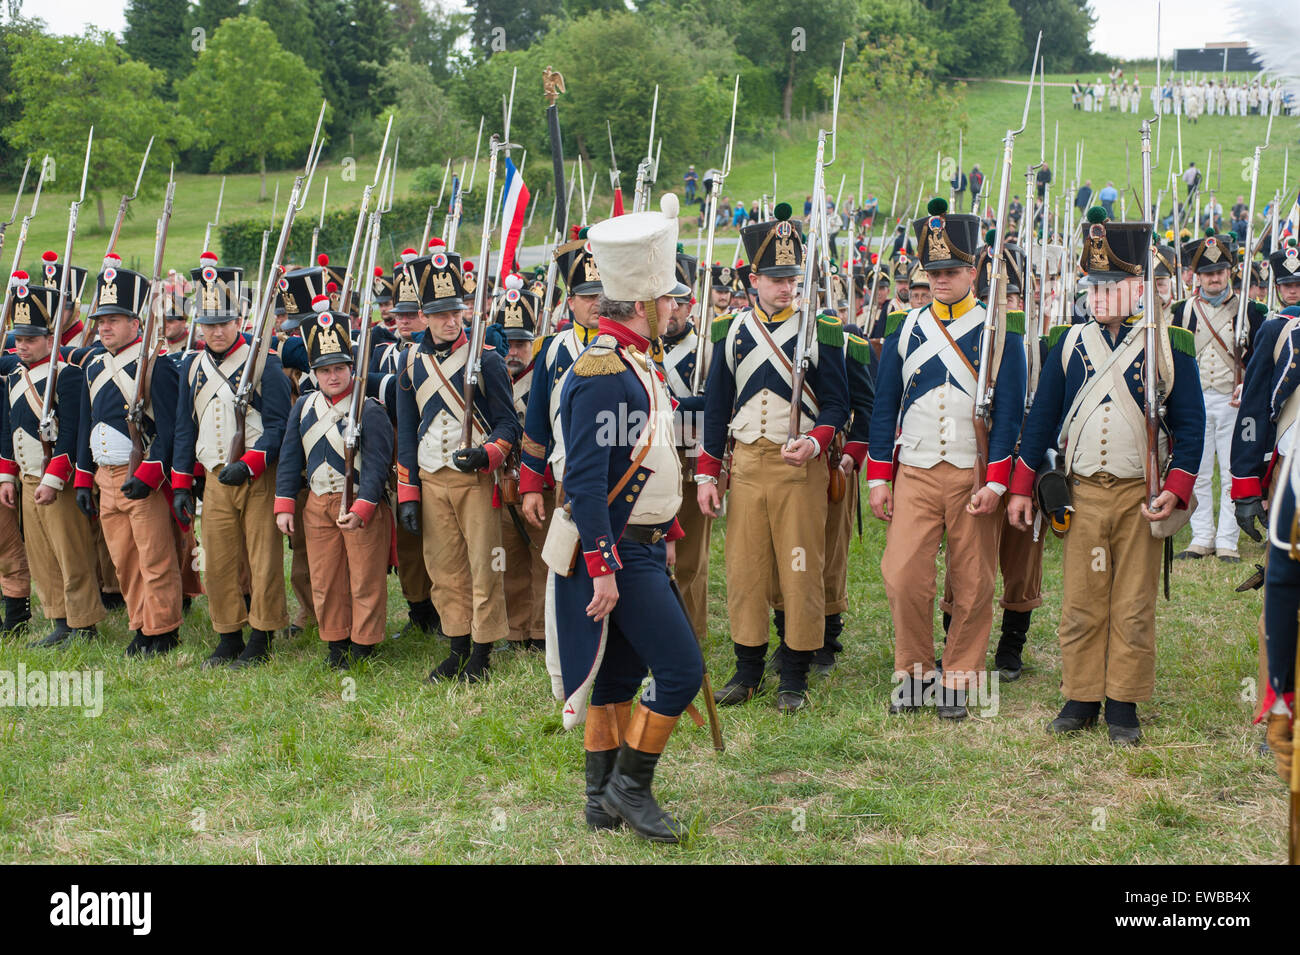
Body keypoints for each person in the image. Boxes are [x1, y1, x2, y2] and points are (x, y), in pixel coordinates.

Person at [1008, 209, 1204, 745]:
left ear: (1138, 288)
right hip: (1083, 494)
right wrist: (1022, 488)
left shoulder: (1168, 345)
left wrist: (1175, 490)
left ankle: (1123, 701)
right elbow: (1041, 420)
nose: (1097, 295)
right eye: (1093, 286)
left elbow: (1191, 427)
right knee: (1082, 601)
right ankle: (1081, 696)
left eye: (1110, 285)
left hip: (1141, 495)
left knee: (1134, 604)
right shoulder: (1069, 344)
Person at [546, 193, 703, 843]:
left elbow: (650, 460)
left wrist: (666, 531)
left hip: (642, 543)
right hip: (616, 552)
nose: (674, 308)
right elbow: (584, 483)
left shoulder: (637, 359)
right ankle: (629, 788)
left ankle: (599, 799)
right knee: (682, 671)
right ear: (641, 303)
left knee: (619, 674)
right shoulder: (602, 371)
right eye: (666, 298)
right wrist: (604, 567)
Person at [867, 198, 1027, 720]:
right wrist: (878, 477)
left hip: (971, 472)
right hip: (914, 468)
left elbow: (1009, 413)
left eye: (951, 270)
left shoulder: (1000, 330)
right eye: (934, 271)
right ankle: (914, 672)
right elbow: (884, 405)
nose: (940, 279)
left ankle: (960, 677)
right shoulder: (906, 327)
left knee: (974, 581)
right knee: (902, 575)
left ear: (973, 272)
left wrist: (997, 482)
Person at [697, 202, 849, 713]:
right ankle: (747, 670)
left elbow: (838, 403)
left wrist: (816, 440)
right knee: (746, 570)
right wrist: (708, 474)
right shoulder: (731, 331)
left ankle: (795, 674)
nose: (787, 288)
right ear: (753, 280)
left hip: (798, 468)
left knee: (800, 568)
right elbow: (716, 408)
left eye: (792, 279)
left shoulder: (819, 328)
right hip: (746, 464)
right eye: (777, 279)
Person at [394, 250, 519, 684]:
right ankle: (457, 648)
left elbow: (508, 424)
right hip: (431, 478)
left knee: (484, 566)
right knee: (444, 568)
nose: (451, 320)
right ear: (424, 316)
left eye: (456, 311)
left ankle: (482, 654)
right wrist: (408, 493)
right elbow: (406, 433)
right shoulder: (410, 361)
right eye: (441, 313)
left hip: (476, 480)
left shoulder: (486, 358)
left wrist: (489, 453)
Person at [172, 258, 292, 668]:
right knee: (218, 561)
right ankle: (227, 635)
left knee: (263, 560)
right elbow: (185, 428)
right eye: (209, 324)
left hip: (257, 478)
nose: (216, 331)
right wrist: (181, 485)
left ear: (238, 320)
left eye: (223, 322)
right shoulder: (192, 366)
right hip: (215, 477)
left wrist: (253, 462)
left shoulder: (263, 362)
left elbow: (279, 426)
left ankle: (262, 635)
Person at [274, 305, 393, 669]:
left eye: (339, 368)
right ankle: (336, 642)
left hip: (357, 503)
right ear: (314, 373)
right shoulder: (304, 406)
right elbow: (290, 457)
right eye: (325, 370)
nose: (333, 376)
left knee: (365, 577)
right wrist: (284, 504)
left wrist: (364, 506)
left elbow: (377, 466)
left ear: (351, 369)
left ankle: (364, 643)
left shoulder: (368, 408)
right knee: (325, 578)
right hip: (317, 504)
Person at [74, 264, 184, 657]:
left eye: (113, 320)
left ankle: (163, 629)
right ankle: (141, 624)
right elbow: (85, 424)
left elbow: (171, 429)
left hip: (141, 477)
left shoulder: (155, 364)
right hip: (105, 478)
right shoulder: (93, 365)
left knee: (154, 557)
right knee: (123, 559)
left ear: (135, 323)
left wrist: (150, 473)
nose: (104, 328)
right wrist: (83, 479)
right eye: (101, 321)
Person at [0, 273, 103, 647]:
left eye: (30, 339)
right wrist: (7, 477)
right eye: (19, 339)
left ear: (50, 338)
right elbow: (9, 430)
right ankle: (59, 619)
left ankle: (83, 623)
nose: (22, 346)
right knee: (42, 555)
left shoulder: (67, 375)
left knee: (70, 552)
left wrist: (54, 478)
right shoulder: (16, 376)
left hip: (55, 479)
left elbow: (73, 432)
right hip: (27, 478)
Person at [1171, 230, 1266, 561]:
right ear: (1197, 276)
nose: (1214, 278)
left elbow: (1260, 358)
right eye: (1208, 273)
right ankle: (1201, 537)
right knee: (1196, 471)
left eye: (1220, 272)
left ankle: (1227, 540)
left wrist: (1247, 383)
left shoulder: (1250, 311)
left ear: (1229, 272)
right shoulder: (1182, 312)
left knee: (1230, 473)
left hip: (1232, 401)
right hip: (1195, 403)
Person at [369, 250, 438, 639]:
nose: (404, 320)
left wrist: (381, 384)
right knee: (409, 538)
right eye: (400, 313)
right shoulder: (380, 352)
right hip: (399, 452)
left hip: (437, 450)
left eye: (412, 314)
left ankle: (449, 610)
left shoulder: (437, 353)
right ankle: (419, 608)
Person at [492, 273, 548, 651]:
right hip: (500, 483)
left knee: (542, 558)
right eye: (508, 343)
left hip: (539, 480)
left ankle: (541, 631)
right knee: (507, 559)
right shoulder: (490, 379)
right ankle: (515, 631)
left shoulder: (544, 377)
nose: (514, 351)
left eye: (521, 343)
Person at [661, 250, 711, 640]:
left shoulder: (706, 349)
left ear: (691, 305)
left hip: (692, 456)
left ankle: (690, 632)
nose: (673, 310)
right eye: (667, 301)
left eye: (680, 302)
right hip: (652, 457)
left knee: (690, 554)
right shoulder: (644, 348)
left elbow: (718, 404)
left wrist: (680, 406)